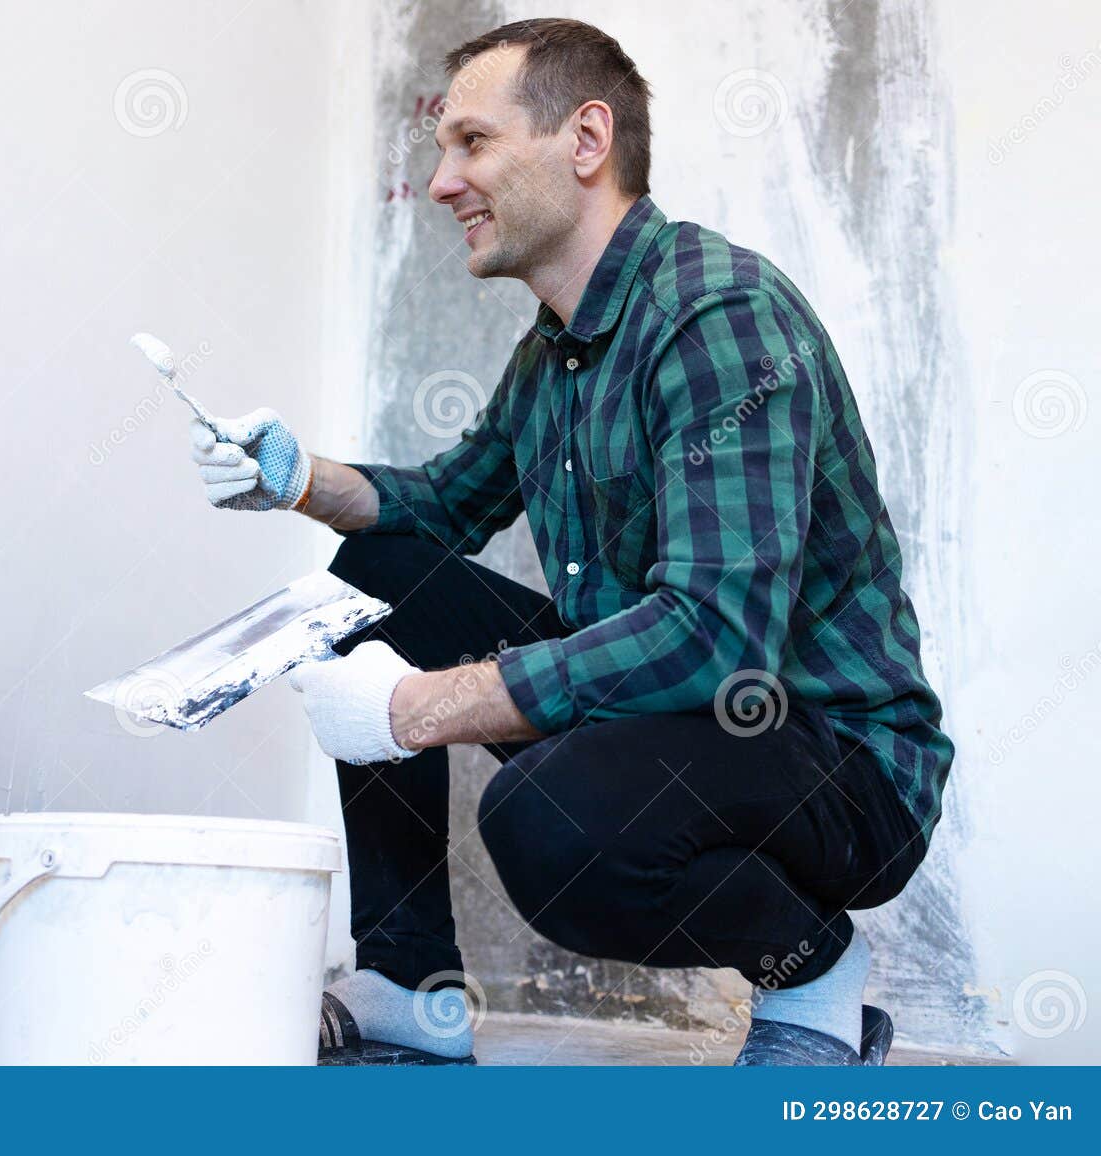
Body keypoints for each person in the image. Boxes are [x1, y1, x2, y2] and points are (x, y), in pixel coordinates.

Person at [186, 17, 952, 1066]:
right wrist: (298, 480)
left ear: (585, 140)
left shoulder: (717, 317)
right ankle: (413, 987)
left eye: (472, 142)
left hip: (836, 761)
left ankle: (812, 979)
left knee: (546, 818)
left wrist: (413, 709)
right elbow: (441, 507)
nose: (442, 181)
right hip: (681, 717)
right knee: (373, 579)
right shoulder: (556, 353)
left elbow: (716, 639)